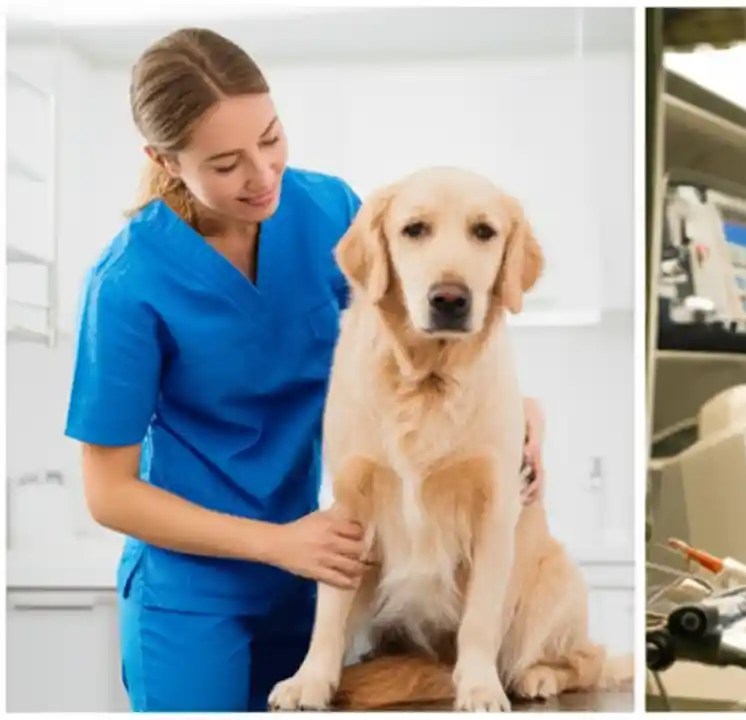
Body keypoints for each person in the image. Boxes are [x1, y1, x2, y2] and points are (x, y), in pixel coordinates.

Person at [63, 28, 548, 712]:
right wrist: (274, 544)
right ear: (164, 161)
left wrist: (511, 408)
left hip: (318, 578)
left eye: (271, 137)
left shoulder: (330, 211)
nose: (263, 176)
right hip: (194, 595)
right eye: (227, 163)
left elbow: (412, 340)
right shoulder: (127, 282)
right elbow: (109, 494)